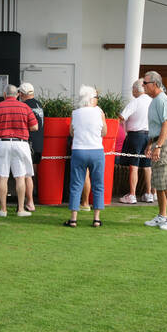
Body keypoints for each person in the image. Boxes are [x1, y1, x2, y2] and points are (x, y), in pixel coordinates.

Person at [0, 85, 38, 218]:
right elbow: (34, 127)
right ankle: (20, 209)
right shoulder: (25, 107)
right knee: (20, 177)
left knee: (2, 177)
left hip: (2, 143)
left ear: (4, 94)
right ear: (17, 95)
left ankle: (3, 210)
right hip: (20, 144)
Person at [142, 71, 167, 231]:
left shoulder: (162, 100)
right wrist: (150, 144)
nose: (143, 86)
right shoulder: (155, 101)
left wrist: (158, 145)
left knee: (166, 180)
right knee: (158, 181)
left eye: (146, 83)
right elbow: (156, 126)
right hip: (159, 140)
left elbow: (166, 123)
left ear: (155, 84)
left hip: (166, 141)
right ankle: (162, 215)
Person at [66, 85, 107, 227]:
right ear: (90, 99)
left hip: (79, 150)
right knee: (98, 185)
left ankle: (73, 219)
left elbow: (72, 132)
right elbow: (105, 132)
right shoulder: (99, 113)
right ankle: (96, 219)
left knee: (76, 184)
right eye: (96, 97)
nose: (97, 99)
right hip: (96, 150)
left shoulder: (75, 113)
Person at [117, 79, 153, 204]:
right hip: (149, 135)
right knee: (147, 166)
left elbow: (121, 117)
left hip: (135, 135)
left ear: (137, 89)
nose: (132, 91)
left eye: (133, 88)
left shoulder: (135, 102)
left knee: (134, 166)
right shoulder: (152, 101)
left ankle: (132, 194)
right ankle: (148, 193)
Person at [18, 82, 43, 212]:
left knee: (26, 174)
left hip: (28, 143)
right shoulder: (39, 104)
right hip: (39, 144)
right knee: (33, 174)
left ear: (22, 94)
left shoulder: (24, 105)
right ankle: (32, 198)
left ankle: (29, 201)